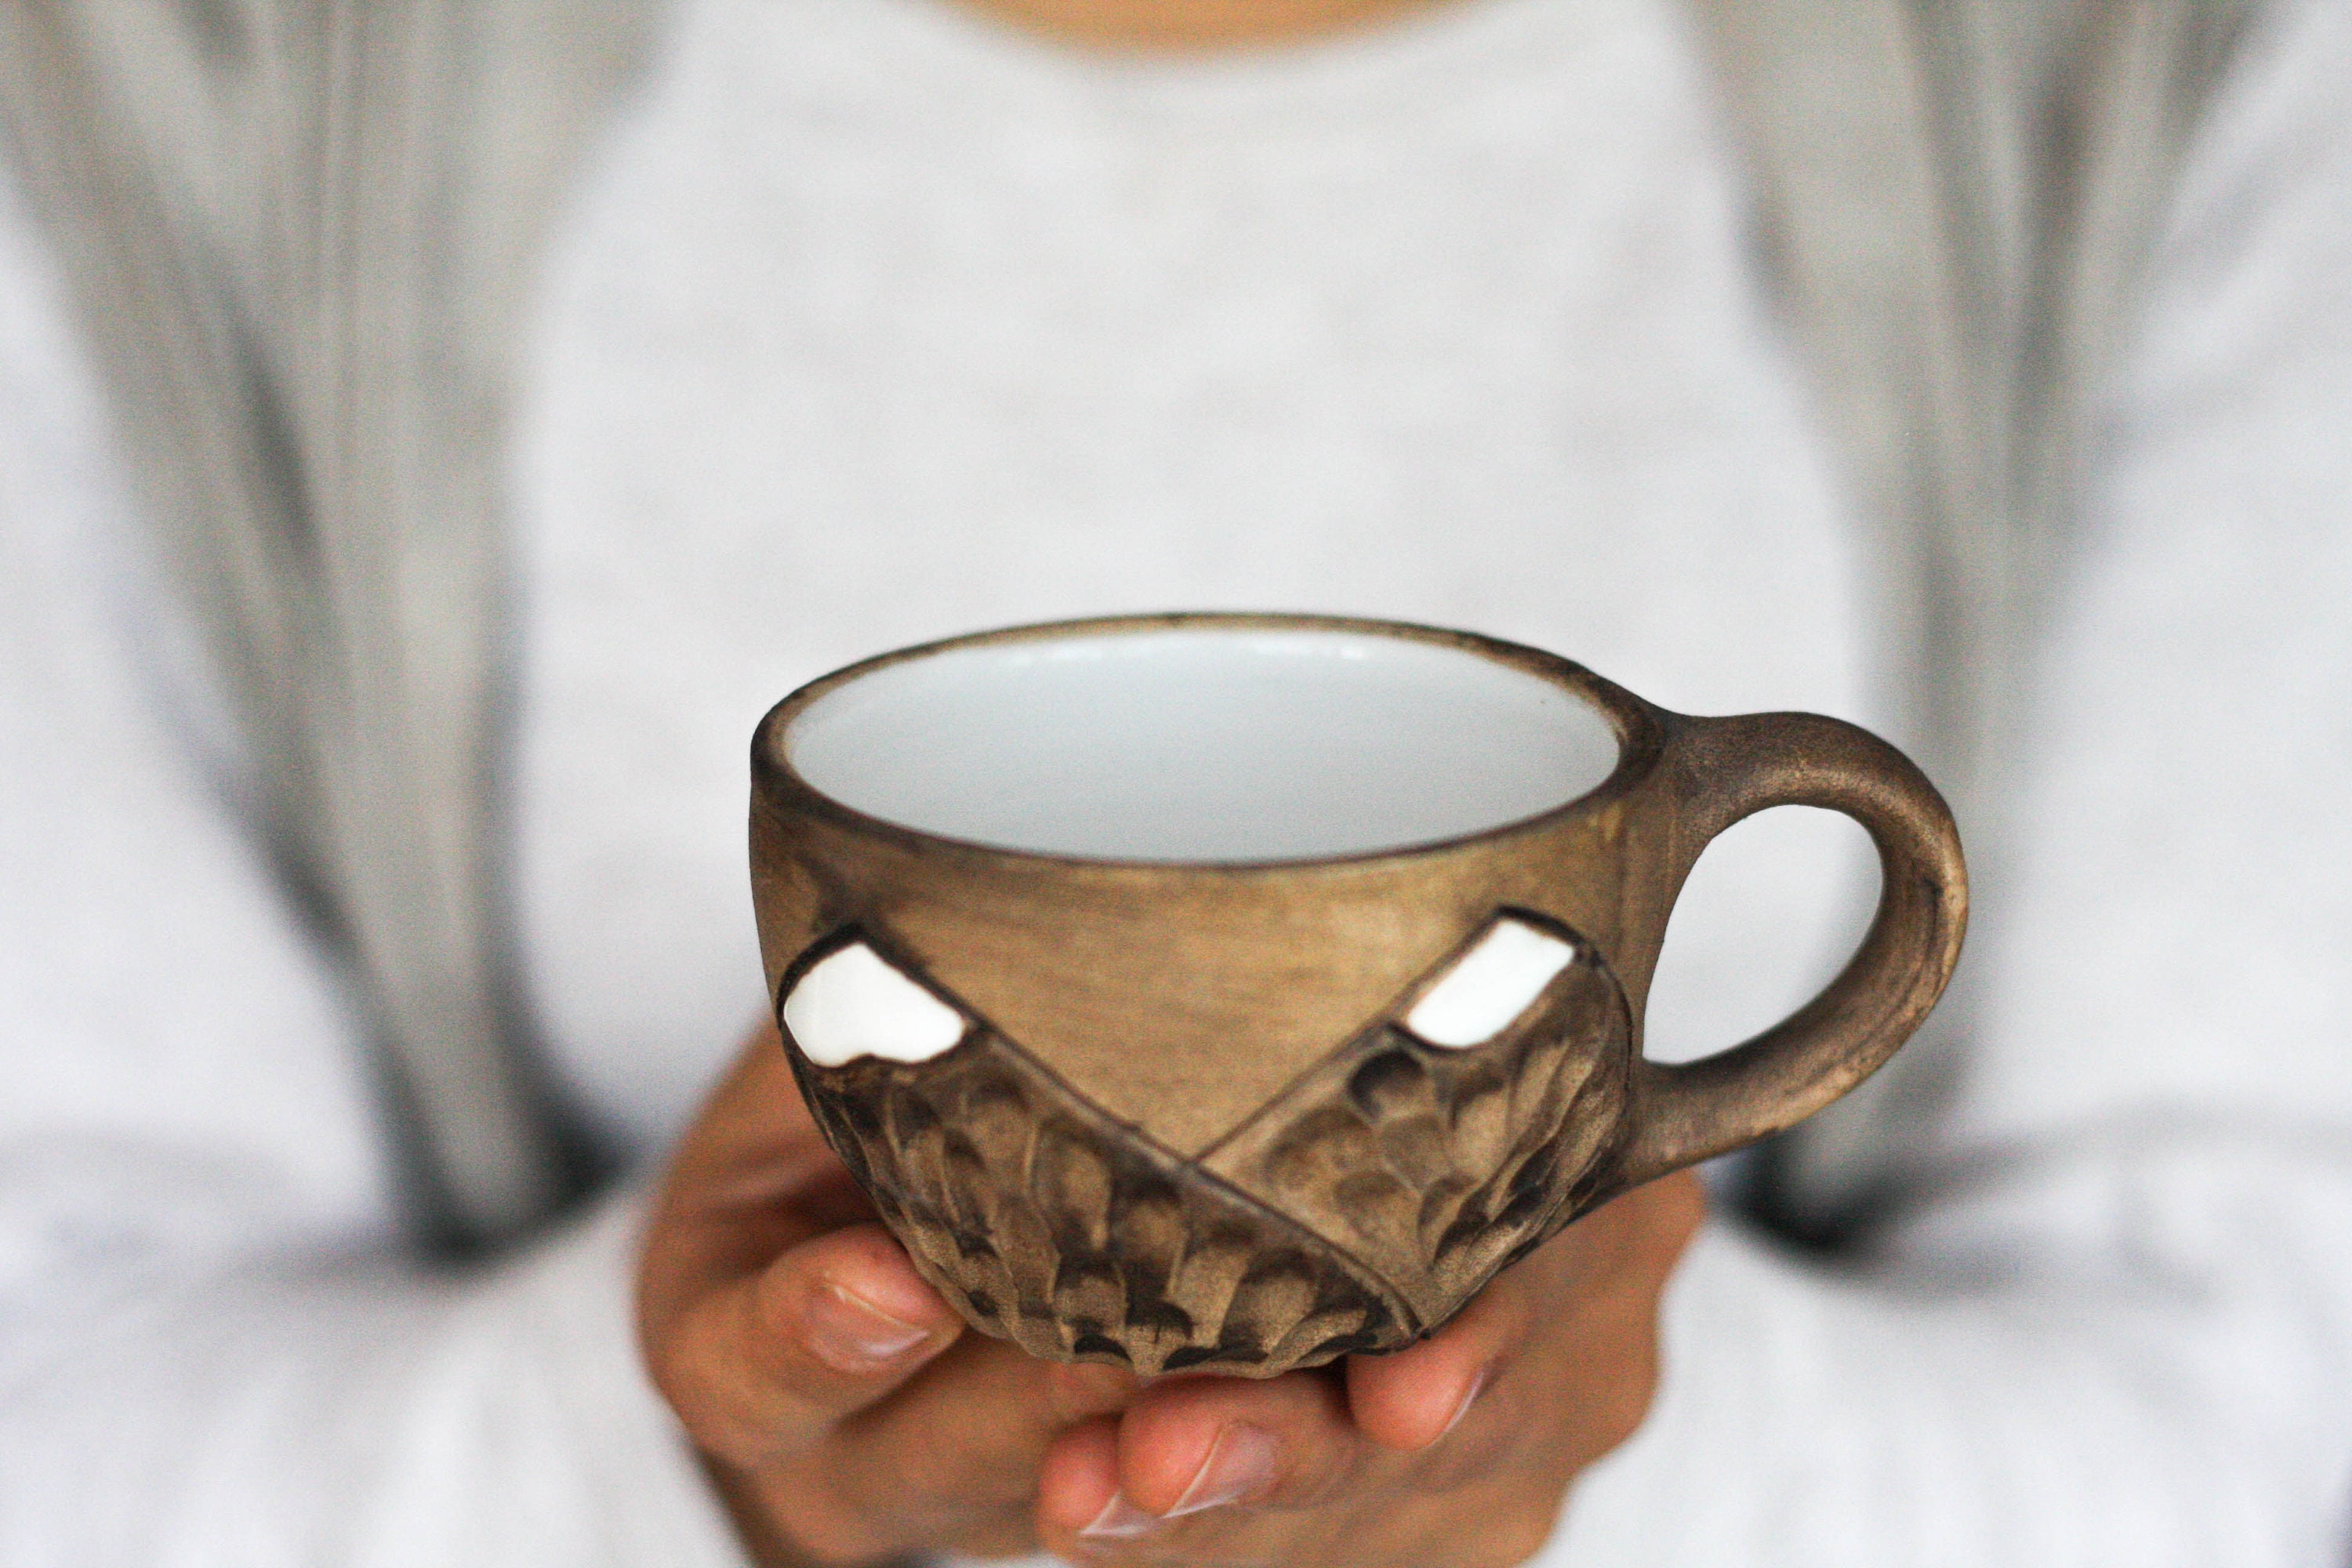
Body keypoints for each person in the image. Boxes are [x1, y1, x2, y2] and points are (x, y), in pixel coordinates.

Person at [2, 0, 2348, 1563]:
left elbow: (2272, 1411)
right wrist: (695, 1461)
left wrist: (1607, 1418)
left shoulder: (2181, 62)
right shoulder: (144, 81)